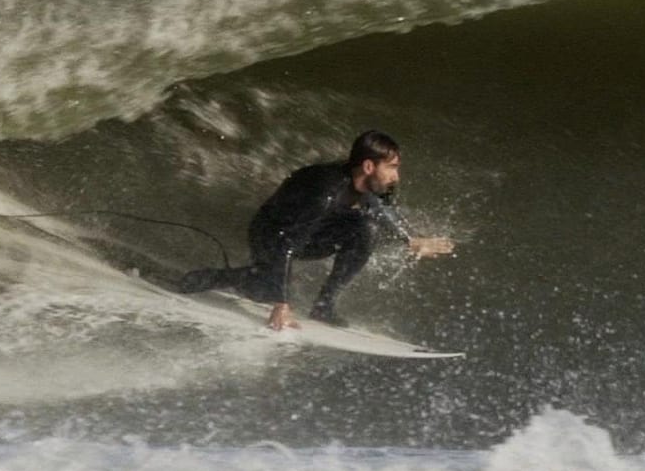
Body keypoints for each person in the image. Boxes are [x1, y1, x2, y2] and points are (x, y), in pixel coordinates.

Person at [177, 130, 454, 330]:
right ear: (369, 166)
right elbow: (286, 244)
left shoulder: (373, 185)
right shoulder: (326, 191)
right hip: (272, 234)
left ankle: (324, 307)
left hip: (313, 233)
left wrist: (410, 240)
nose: (396, 176)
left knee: (365, 229)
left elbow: (381, 210)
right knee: (266, 288)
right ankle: (215, 278)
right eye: (392, 168)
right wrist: (281, 304)